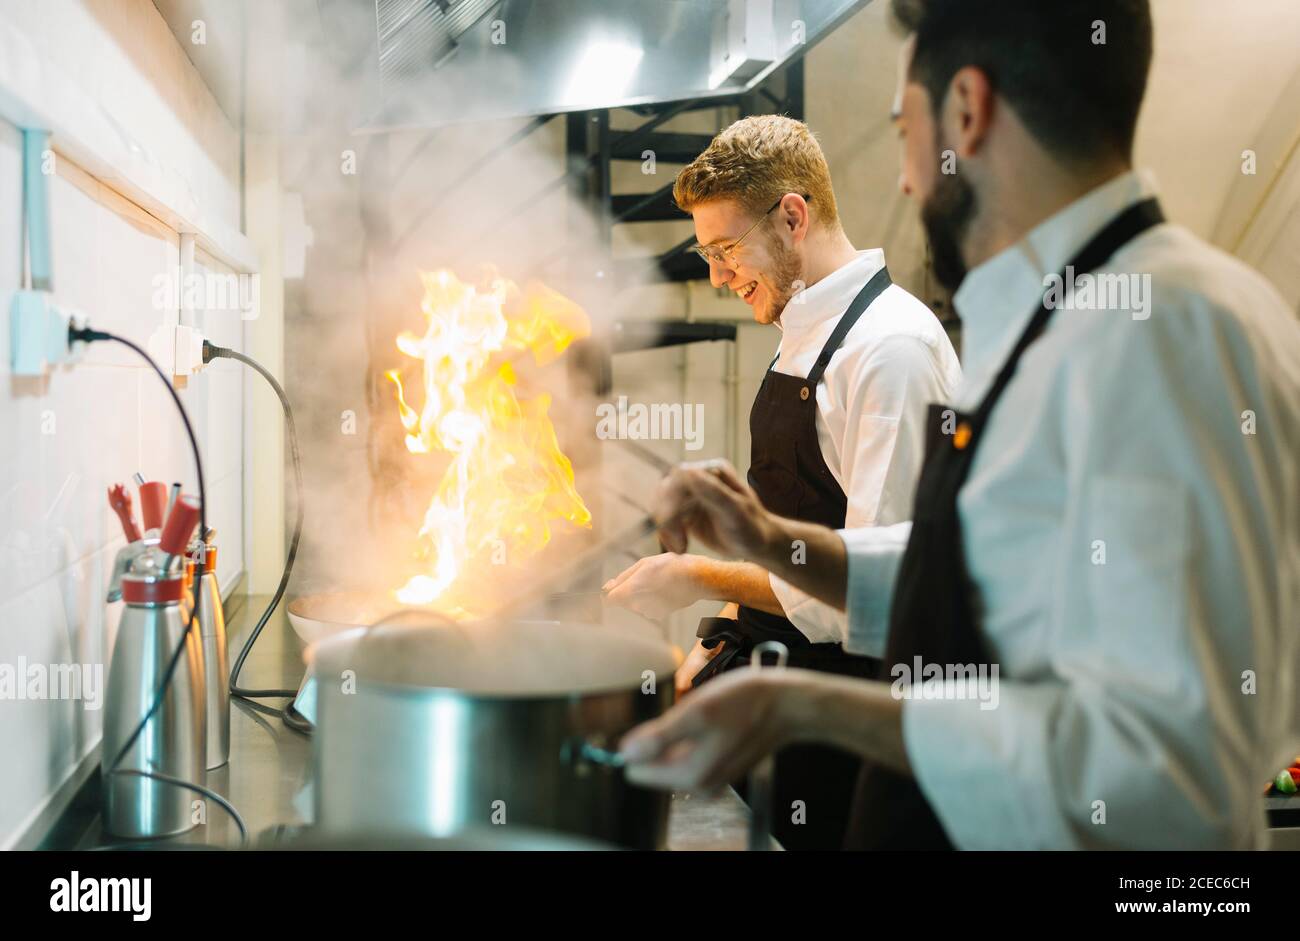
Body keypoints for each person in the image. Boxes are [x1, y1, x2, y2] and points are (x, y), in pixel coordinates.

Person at [618, 0, 1300, 850]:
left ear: (967, 113)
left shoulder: (1155, 335)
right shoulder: (1074, 316)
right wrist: (759, 537)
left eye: (906, 128)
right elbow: (970, 568)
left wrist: (814, 705)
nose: (905, 180)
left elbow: (1162, 773)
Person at [603, 115, 959, 849]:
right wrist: (726, 631)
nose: (716, 275)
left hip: (855, 741)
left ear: (792, 217)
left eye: (726, 249)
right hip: (787, 720)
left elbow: (872, 588)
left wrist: (698, 575)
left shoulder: (889, 350)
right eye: (706, 253)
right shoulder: (803, 333)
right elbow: (790, 530)